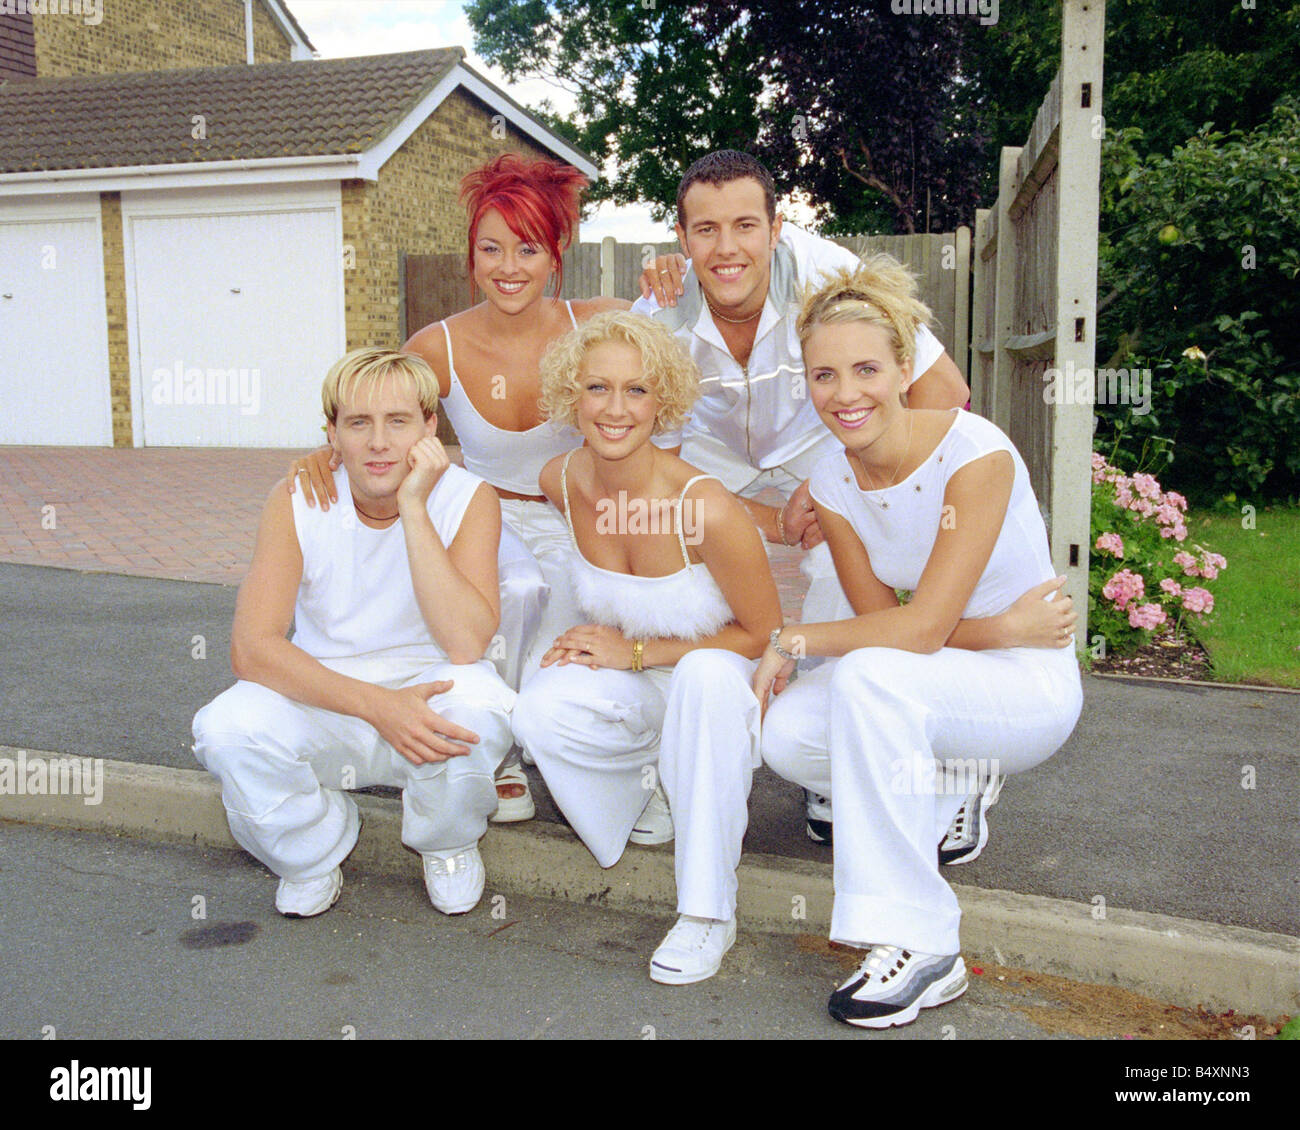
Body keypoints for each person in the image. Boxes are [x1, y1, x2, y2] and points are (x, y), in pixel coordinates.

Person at [752, 262, 1083, 1028]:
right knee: (791, 737)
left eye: (867, 368)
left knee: (868, 681)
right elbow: (887, 625)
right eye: (824, 375)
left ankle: (921, 941)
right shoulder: (832, 481)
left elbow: (913, 632)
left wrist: (795, 635)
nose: (846, 394)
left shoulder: (977, 455)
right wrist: (996, 625)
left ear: (906, 367)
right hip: (946, 665)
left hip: (1023, 686)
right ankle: (948, 784)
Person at [632, 149, 974, 844]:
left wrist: (848, 488)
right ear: (681, 235)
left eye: (744, 226)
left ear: (777, 226)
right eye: (705, 231)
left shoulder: (828, 276)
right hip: (712, 466)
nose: (726, 249)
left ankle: (839, 764)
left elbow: (945, 394)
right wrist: (763, 523)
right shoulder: (658, 312)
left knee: (840, 570)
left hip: (824, 444)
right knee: (670, 559)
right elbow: (650, 471)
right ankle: (675, 767)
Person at [289, 153, 630, 825]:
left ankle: (588, 760)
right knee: (519, 591)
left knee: (586, 638)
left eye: (528, 247)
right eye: (491, 248)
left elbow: (675, 362)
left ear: (556, 253)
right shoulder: (436, 345)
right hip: (487, 523)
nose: (509, 266)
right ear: (470, 258)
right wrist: (325, 450)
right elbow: (373, 406)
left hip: (578, 522)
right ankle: (495, 754)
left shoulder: (595, 323)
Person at [510, 310, 783, 985]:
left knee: (707, 680)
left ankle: (708, 912)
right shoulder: (560, 481)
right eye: (596, 388)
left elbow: (766, 635)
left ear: (664, 401)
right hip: (640, 674)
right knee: (539, 711)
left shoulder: (707, 507)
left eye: (637, 390)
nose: (615, 408)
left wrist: (633, 655)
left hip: (722, 677)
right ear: (570, 397)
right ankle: (653, 782)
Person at [193, 349, 515, 919]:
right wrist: (378, 707)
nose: (379, 442)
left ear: (429, 428)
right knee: (225, 729)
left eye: (399, 421)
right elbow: (253, 648)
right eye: (358, 423)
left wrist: (414, 507)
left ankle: (445, 841)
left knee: (482, 706)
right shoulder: (296, 497)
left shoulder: (469, 498)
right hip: (332, 697)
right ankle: (313, 847)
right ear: (332, 434)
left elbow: (465, 644)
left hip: (426, 696)